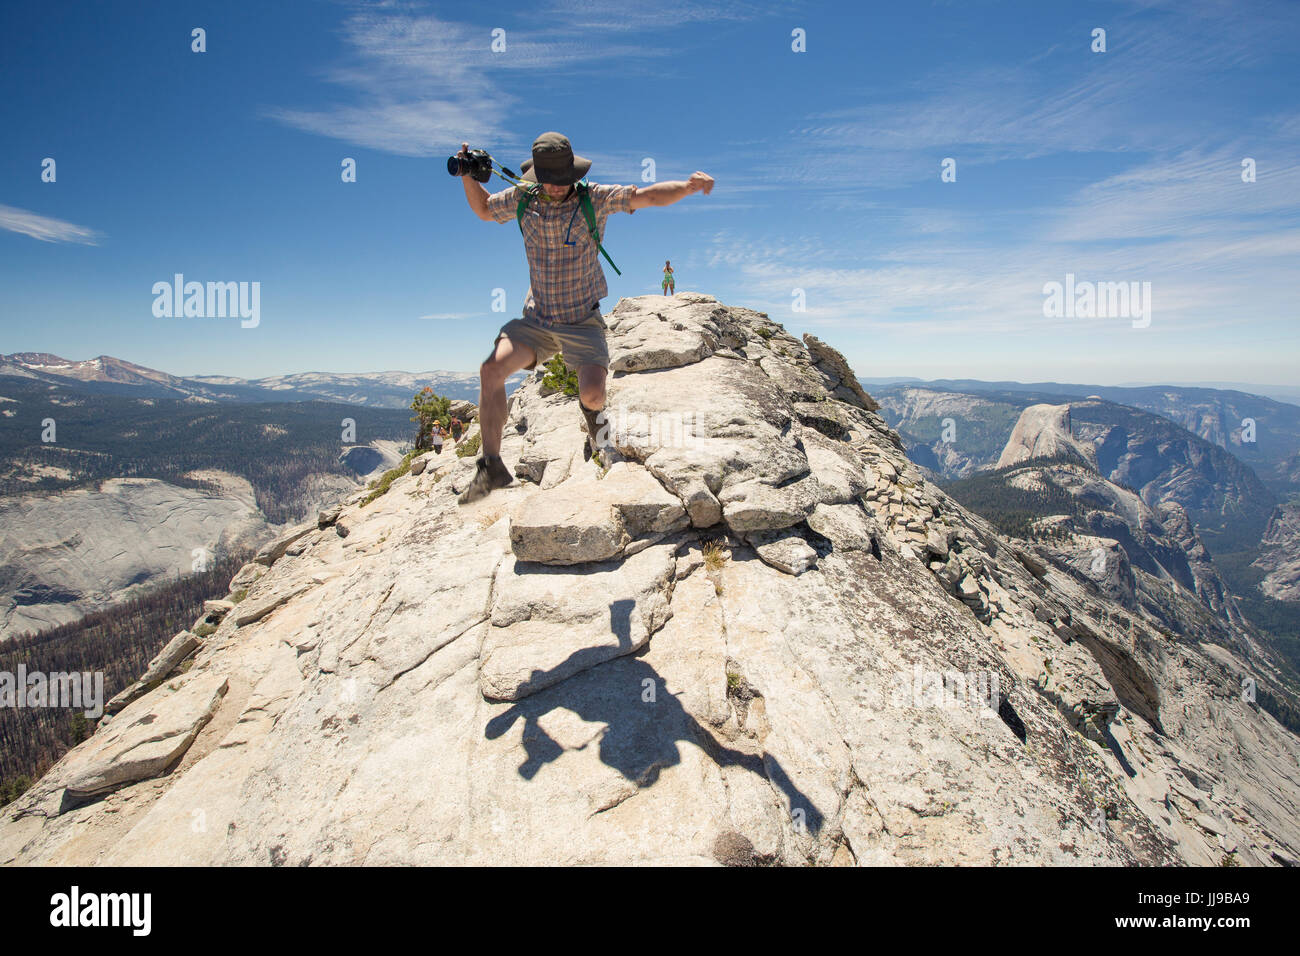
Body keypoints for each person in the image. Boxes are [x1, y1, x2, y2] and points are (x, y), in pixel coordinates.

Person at [454, 131, 714, 504]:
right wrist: (466, 173)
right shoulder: (522, 199)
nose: (557, 188)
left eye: (563, 180)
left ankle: (595, 424)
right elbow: (482, 209)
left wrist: (687, 187)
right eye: (549, 180)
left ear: (574, 174)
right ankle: (492, 466)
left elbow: (648, 196)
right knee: (490, 370)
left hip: (582, 320)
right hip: (537, 321)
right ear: (535, 176)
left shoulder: (595, 198)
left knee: (593, 394)